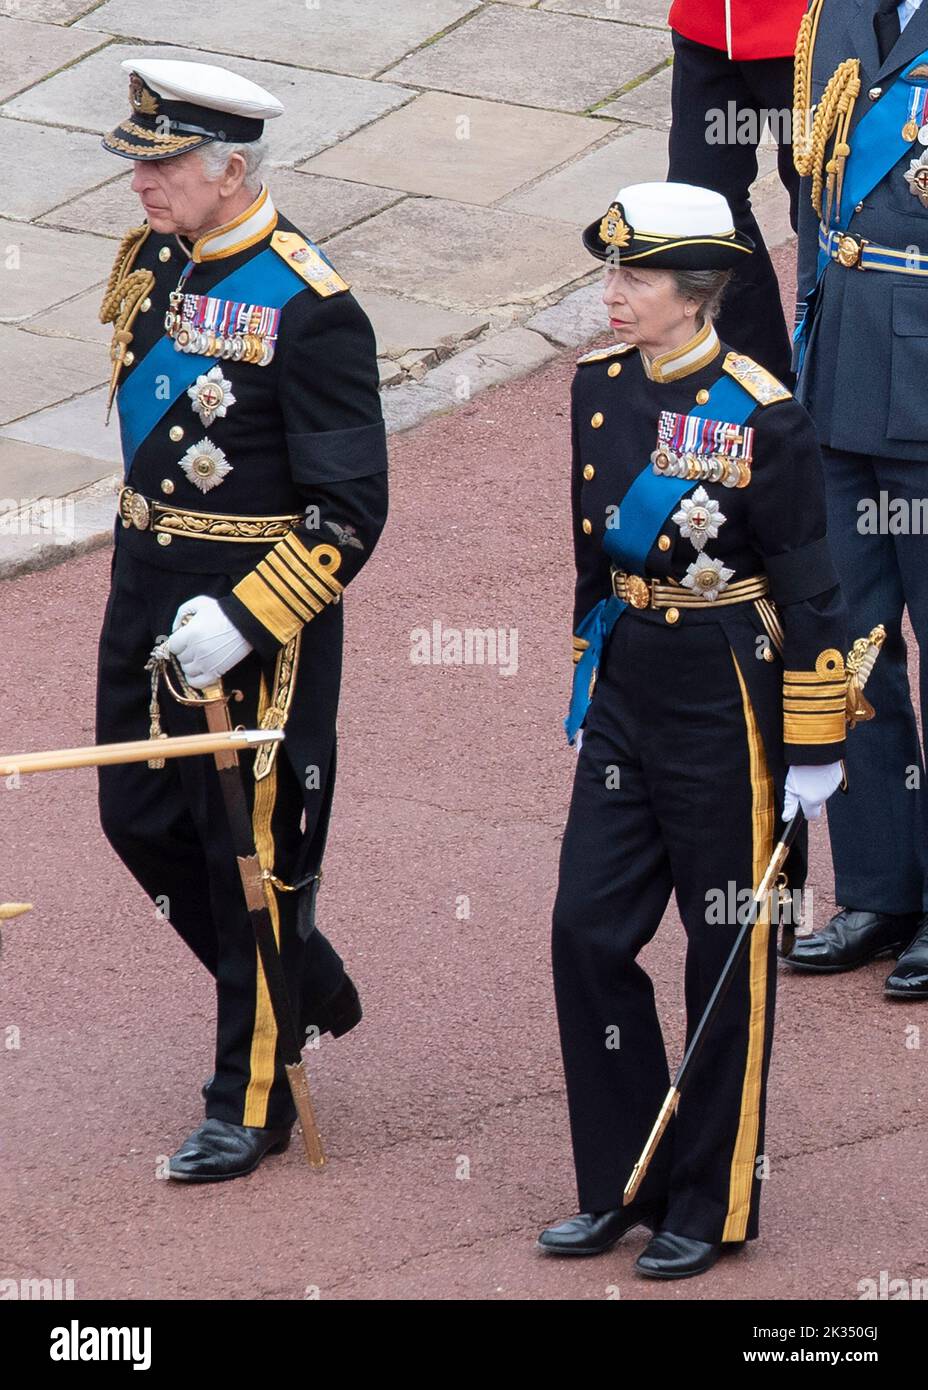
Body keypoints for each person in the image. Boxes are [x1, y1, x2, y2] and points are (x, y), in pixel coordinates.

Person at [537, 182, 848, 1278]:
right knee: (586, 931)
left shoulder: (765, 413)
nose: (612, 295)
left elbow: (815, 590)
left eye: (635, 279)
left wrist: (815, 741)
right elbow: (592, 558)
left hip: (731, 695)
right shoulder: (596, 386)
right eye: (612, 275)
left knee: (729, 956)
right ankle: (622, 1179)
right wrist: (589, 671)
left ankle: (708, 1202)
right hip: (630, 681)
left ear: (696, 294)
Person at [95, 59, 388, 1180]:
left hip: (253, 616)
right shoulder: (157, 258)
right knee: (137, 816)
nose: (142, 183)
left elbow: (351, 509)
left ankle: (247, 1094)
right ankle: (301, 980)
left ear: (231, 168)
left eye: (163, 164)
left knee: (250, 855)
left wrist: (252, 615)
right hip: (146, 586)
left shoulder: (313, 310)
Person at [786, 0, 928, 998]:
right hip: (837, 379)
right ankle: (879, 887)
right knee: (855, 649)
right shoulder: (838, 12)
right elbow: (811, 202)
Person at [667, 0, 808, 379]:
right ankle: (758, 383)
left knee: (823, 210)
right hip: (710, 21)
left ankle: (838, 385)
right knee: (701, 209)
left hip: (807, 27)